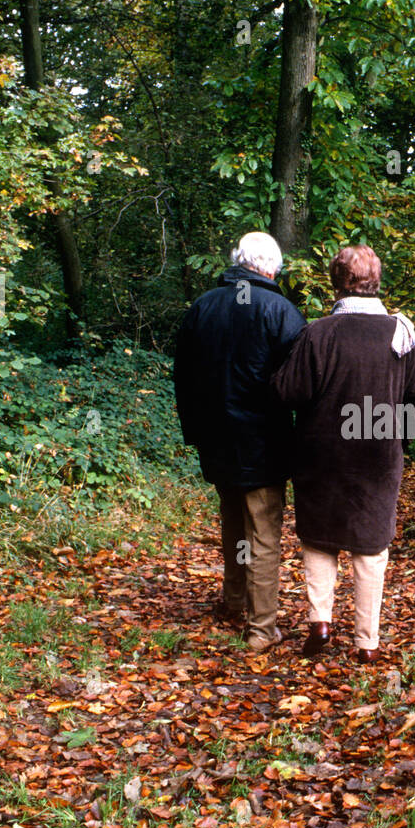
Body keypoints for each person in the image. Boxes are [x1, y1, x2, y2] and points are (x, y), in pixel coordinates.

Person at [271, 245, 415, 663]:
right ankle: (367, 643)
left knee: (319, 539)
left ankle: (320, 622)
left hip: (320, 454)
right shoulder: (402, 334)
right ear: (375, 281)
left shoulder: (318, 333)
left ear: (337, 281)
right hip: (378, 455)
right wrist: (399, 443)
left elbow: (287, 391)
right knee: (371, 547)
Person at [173, 232, 305, 652]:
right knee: (262, 533)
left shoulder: (203, 307)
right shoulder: (280, 311)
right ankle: (261, 628)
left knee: (234, 523)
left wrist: (194, 432)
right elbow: (300, 385)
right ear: (271, 268)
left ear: (237, 261)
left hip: (216, 439)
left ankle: (233, 603)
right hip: (262, 443)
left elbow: (183, 378)